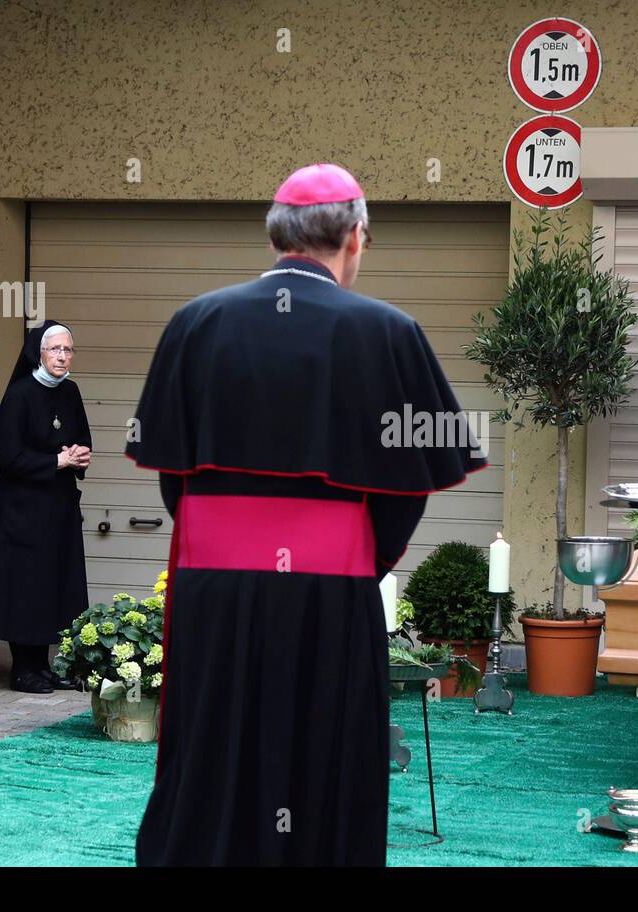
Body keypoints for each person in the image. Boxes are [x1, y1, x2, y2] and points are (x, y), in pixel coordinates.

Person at [128, 163, 485, 866]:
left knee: (214, 748)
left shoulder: (195, 322)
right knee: (326, 751)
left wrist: (227, 537)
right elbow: (408, 488)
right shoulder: (388, 331)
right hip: (332, 587)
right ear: (355, 237)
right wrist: (354, 556)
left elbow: (175, 479)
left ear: (276, 234)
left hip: (214, 585)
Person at [0, 320, 92, 693]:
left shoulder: (71, 391)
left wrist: (81, 455)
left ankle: (44, 665)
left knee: (54, 585)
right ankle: (22, 668)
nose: (63, 356)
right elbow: (10, 457)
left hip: (60, 506)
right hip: (23, 509)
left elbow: (81, 436)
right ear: (39, 353)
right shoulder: (19, 395)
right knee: (26, 587)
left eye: (68, 350)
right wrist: (57, 462)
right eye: (55, 350)